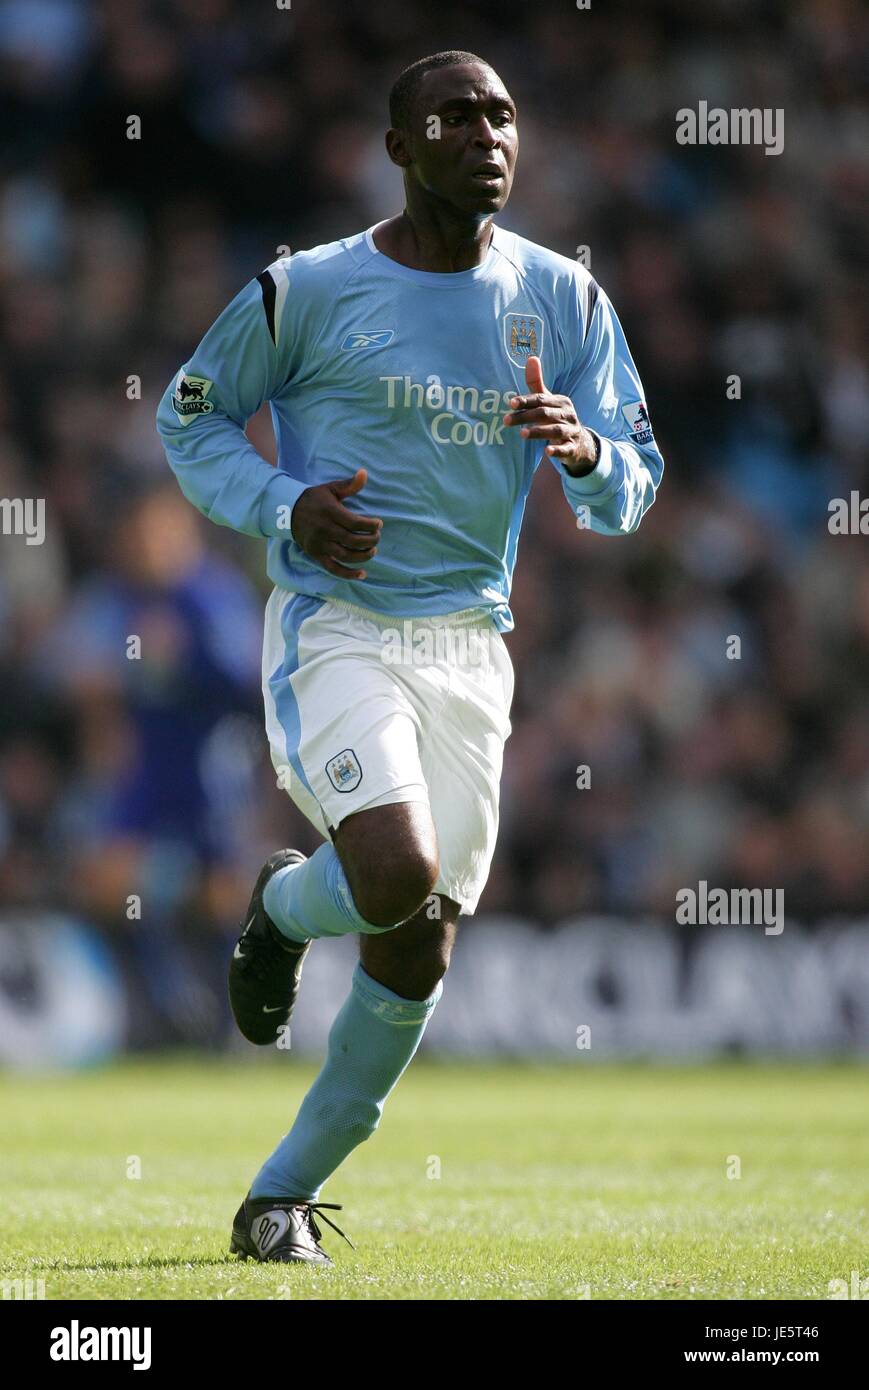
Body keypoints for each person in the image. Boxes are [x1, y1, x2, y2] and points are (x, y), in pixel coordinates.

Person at [156, 50, 664, 1264]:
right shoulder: (306, 291)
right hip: (338, 626)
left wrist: (585, 454)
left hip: (469, 648)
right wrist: (286, 506)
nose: (486, 132)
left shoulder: (564, 299)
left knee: (416, 934)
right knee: (391, 867)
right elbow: (191, 416)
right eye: (453, 115)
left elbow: (633, 483)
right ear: (397, 146)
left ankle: (277, 1192)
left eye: (501, 115)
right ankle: (289, 908)